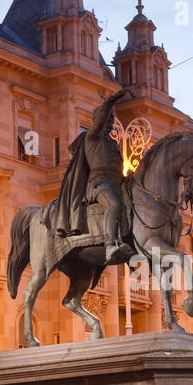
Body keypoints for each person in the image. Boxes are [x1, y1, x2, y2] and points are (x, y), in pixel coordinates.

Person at [42, 86, 134, 265]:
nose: (110, 123)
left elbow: (119, 169)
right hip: (98, 184)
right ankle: (109, 245)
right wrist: (110, 101)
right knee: (114, 204)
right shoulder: (91, 138)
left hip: (116, 184)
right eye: (107, 119)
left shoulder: (114, 145)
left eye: (112, 120)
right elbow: (98, 124)